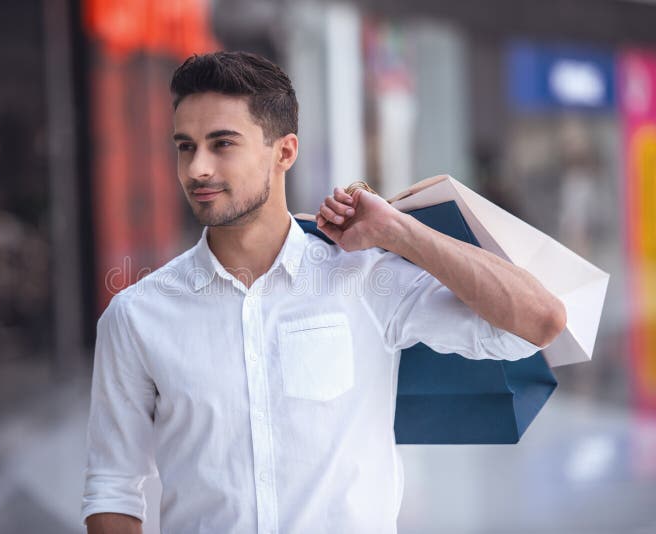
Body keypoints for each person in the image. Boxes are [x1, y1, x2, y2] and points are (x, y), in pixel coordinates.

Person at [82, 51, 566, 534]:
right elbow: (113, 488)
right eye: (185, 147)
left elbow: (539, 321)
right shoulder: (136, 316)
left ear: (285, 151)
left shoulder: (365, 280)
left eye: (222, 143)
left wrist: (400, 232)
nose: (196, 169)